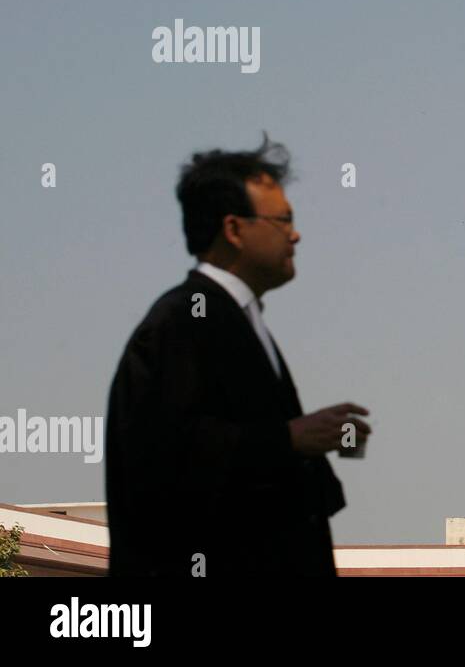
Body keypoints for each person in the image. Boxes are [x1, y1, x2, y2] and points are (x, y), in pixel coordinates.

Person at [105, 135, 370, 576]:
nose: (296, 234)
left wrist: (313, 440)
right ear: (233, 229)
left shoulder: (239, 322)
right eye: (283, 220)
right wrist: (289, 439)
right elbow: (162, 459)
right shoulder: (181, 323)